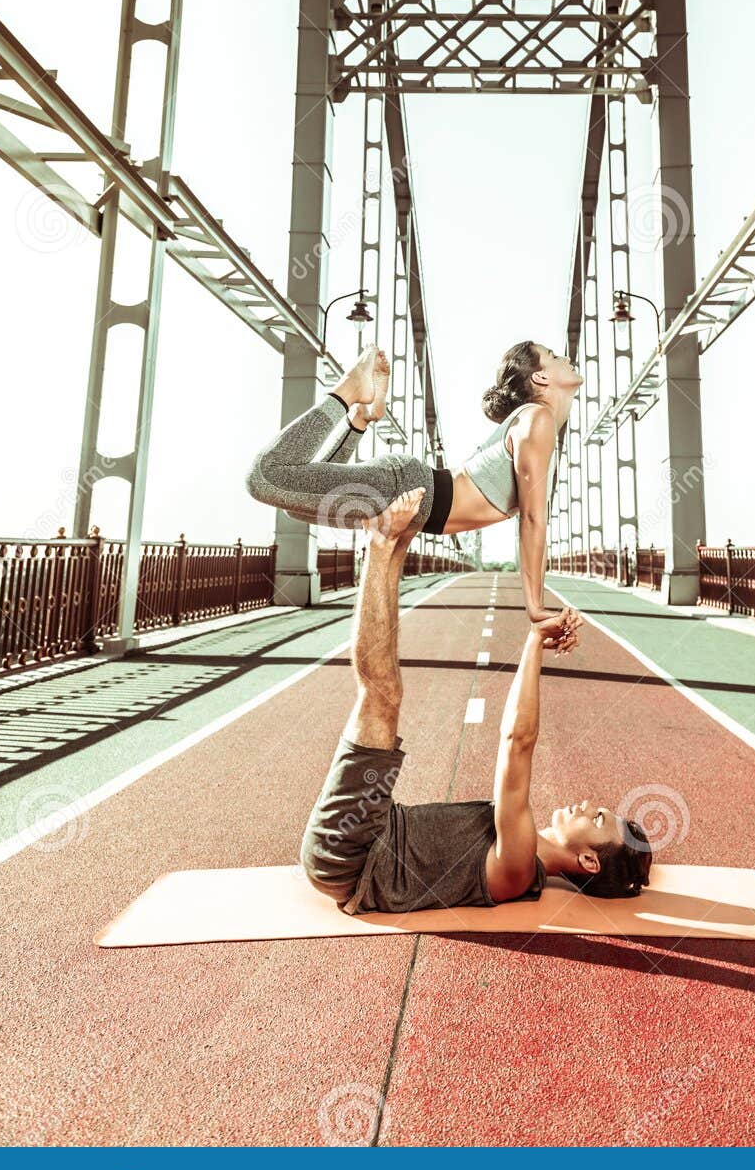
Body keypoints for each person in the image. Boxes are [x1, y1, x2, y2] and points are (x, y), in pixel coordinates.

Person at [299, 487, 651, 915]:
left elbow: (517, 742)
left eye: (598, 820)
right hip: (374, 829)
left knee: (382, 698)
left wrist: (534, 642)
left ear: (589, 861)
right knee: (383, 699)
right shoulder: (523, 847)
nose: (588, 806)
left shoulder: (520, 866)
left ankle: (379, 544)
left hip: (351, 855)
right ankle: (395, 543)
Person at [244, 339, 583, 633]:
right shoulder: (537, 419)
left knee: (294, 506)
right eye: (554, 356)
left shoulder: (535, 422)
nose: (566, 357)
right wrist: (535, 608)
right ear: (540, 377)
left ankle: (360, 418)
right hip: (404, 488)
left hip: (413, 504)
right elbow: (533, 519)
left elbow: (533, 520)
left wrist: (537, 606)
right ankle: (348, 390)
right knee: (264, 476)